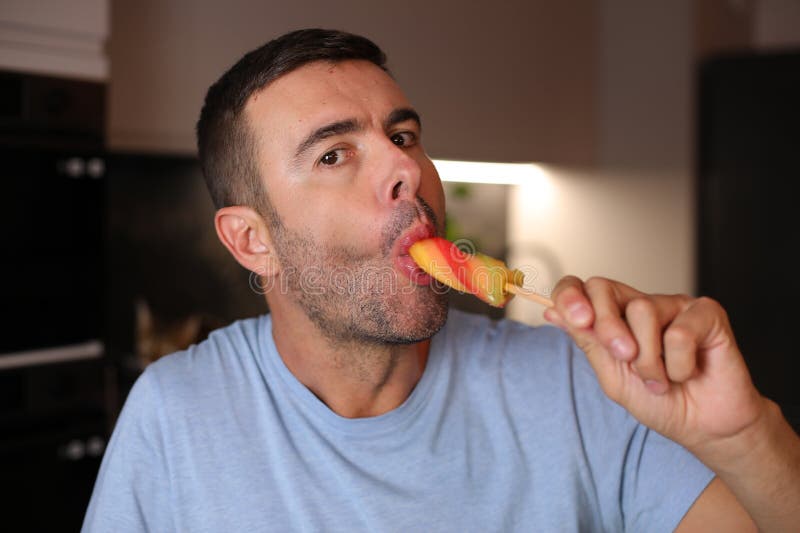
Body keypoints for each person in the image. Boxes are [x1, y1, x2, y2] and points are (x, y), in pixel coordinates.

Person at [83, 29, 800, 532]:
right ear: (252, 240)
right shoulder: (177, 416)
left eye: (402, 136)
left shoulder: (585, 387)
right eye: (334, 155)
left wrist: (744, 435)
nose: (406, 169)